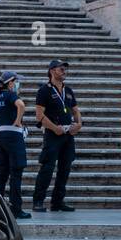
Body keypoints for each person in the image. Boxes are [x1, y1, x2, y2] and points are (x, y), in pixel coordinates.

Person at [32, 59, 80, 213]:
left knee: (65, 169)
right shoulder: (44, 90)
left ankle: (57, 202)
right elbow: (39, 115)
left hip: (68, 135)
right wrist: (54, 128)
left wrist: (78, 124)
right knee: (47, 168)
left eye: (65, 69)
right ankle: (38, 201)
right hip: (53, 135)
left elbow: (76, 110)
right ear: (52, 71)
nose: (64, 72)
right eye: (61, 69)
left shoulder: (69, 90)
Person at [0, 71, 31, 219]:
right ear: (10, 83)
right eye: (16, 81)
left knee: (2, 173)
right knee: (16, 173)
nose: (18, 84)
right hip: (14, 135)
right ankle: (16, 208)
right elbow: (21, 105)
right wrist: (18, 121)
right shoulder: (10, 95)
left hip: (2, 135)